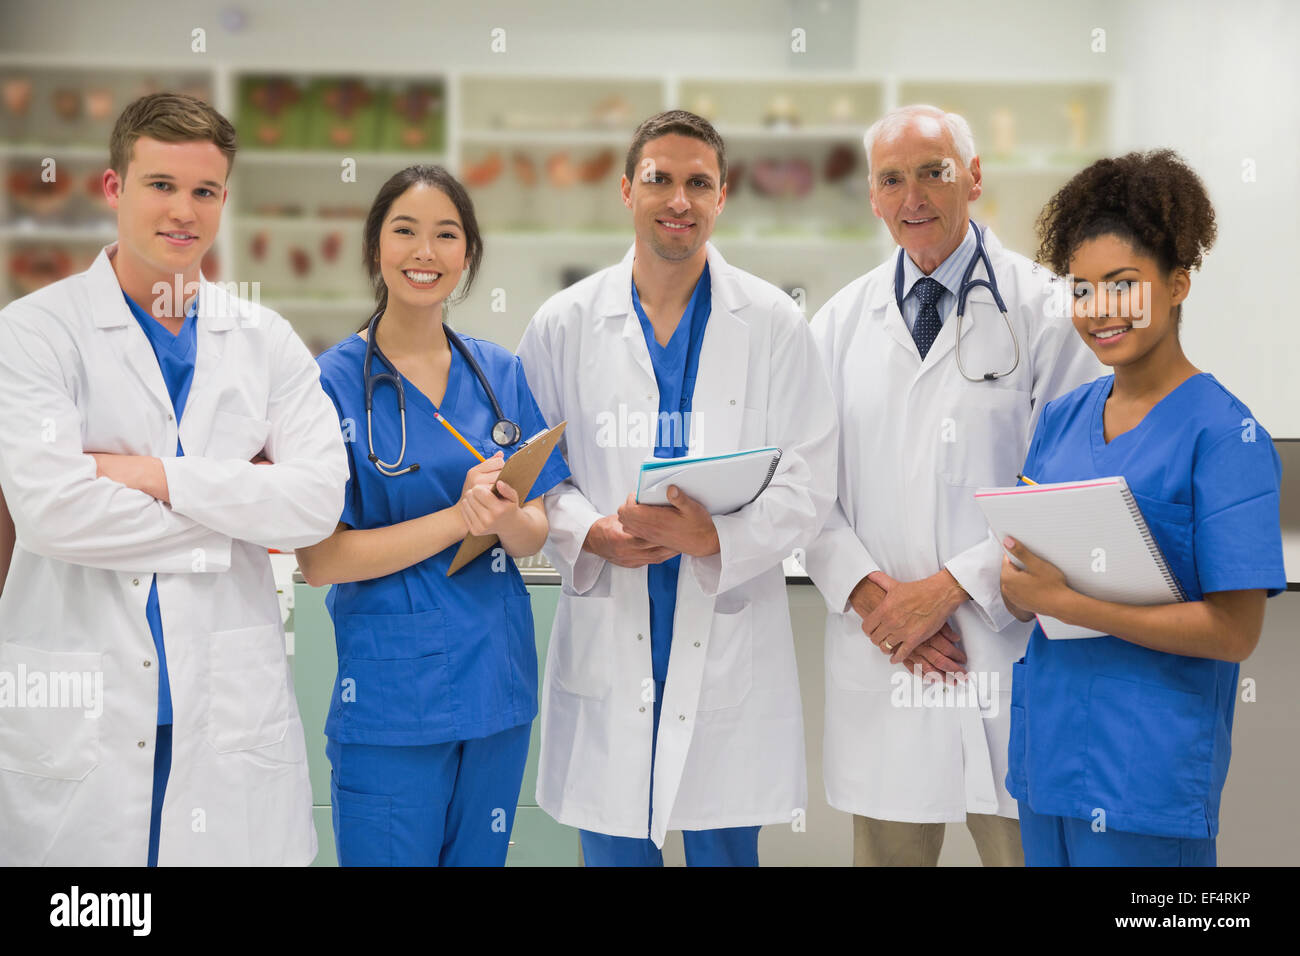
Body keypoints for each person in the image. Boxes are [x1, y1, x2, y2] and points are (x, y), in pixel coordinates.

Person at [0, 92, 348, 865]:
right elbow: (53, 512)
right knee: (91, 912)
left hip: (226, 703)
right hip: (78, 701)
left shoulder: (264, 339)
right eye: (160, 184)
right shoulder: (34, 333)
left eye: (204, 191)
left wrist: (149, 475)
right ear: (113, 188)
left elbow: (318, 505)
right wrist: (241, 509)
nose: (182, 211)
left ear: (224, 199)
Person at [516, 110, 837, 866]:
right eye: (660, 179)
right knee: (618, 846)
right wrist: (588, 530)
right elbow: (531, 474)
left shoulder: (772, 323)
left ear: (722, 198)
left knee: (725, 846)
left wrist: (716, 539)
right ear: (627, 189)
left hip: (724, 613)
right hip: (611, 613)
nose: (678, 200)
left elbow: (810, 477)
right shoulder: (564, 323)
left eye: (699, 182)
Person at [801, 104, 1100, 866]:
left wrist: (948, 589)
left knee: (1022, 849)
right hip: (886, 650)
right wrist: (877, 598)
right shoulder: (836, 327)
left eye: (933, 172)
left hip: (1008, 644)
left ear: (972, 176)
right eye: (892, 178)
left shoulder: (1045, 311)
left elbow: (1064, 482)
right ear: (871, 195)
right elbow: (804, 487)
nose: (914, 197)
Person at [999, 149, 1286, 867]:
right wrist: (1023, 592)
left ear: (1178, 285)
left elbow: (1234, 632)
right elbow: (1030, 579)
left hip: (1147, 774)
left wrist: (1066, 602)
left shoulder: (1226, 435)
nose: (1099, 311)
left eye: (1123, 285)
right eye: (1082, 289)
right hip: (1049, 762)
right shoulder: (1063, 418)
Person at [294, 165, 570, 867]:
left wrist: (505, 514)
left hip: (496, 693)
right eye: (405, 231)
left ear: (468, 255)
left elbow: (534, 530)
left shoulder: (499, 372)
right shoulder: (330, 384)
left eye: (447, 235)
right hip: (391, 702)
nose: (426, 252)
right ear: (376, 248)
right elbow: (321, 559)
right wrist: (458, 517)